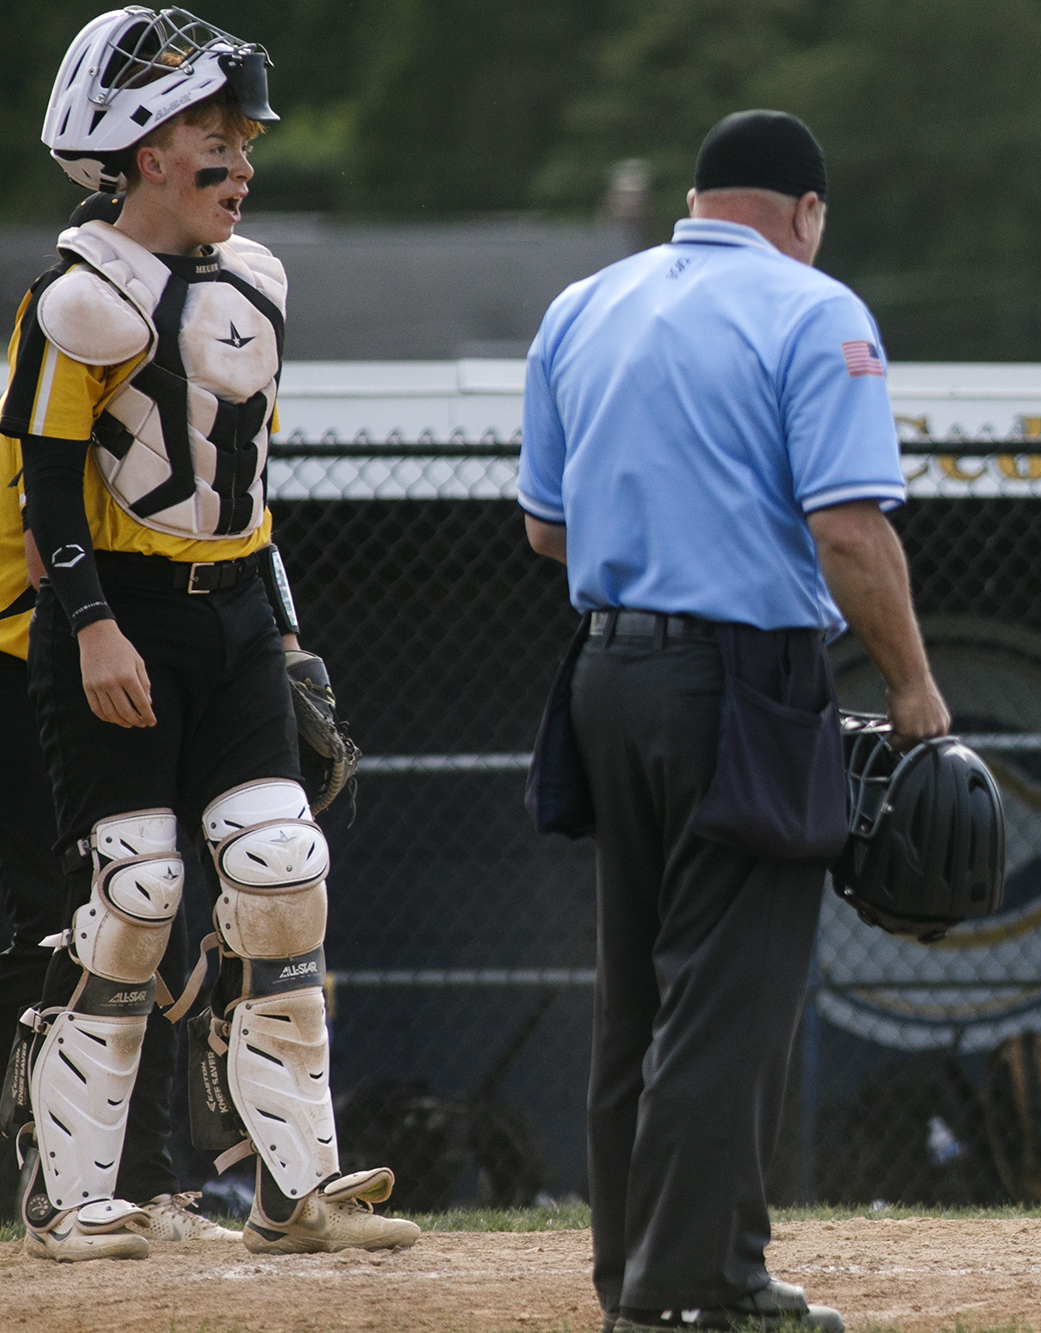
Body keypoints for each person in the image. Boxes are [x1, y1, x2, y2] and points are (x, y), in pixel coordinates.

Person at [519, 109, 949, 1333]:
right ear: (805, 213)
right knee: (729, 1001)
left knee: (637, 1001)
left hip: (604, 672)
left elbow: (547, 529)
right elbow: (849, 530)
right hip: (742, 677)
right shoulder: (815, 309)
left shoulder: (583, 303)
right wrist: (913, 688)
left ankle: (645, 1280)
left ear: (701, 199)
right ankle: (689, 1295)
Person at [1, 8, 417, 1259]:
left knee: (282, 867)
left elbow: (243, 489)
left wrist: (278, 638)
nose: (239, 160)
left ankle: (298, 1184)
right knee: (135, 889)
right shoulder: (76, 302)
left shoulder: (258, 284)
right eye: (208, 136)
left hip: (230, 611)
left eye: (243, 135)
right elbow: (46, 486)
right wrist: (90, 630)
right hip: (109, 615)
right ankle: (67, 1191)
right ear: (135, 153)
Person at [0, 395, 238, 1246]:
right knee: (61, 924)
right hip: (42, 658)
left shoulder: (199, 333)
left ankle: (148, 1185)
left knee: (147, 909)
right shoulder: (75, 324)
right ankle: (54, 1185)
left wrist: (274, 635)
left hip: (128, 662)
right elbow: (44, 539)